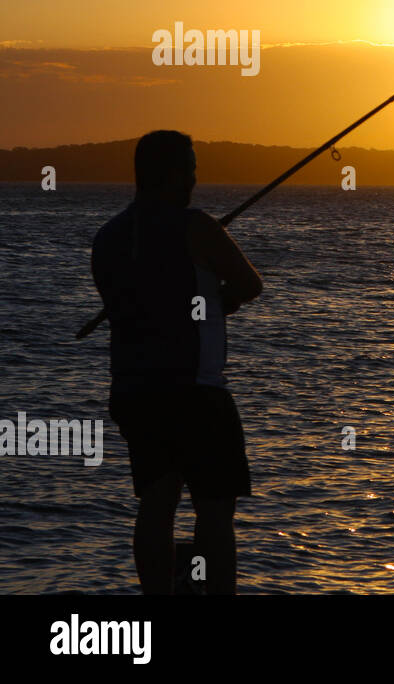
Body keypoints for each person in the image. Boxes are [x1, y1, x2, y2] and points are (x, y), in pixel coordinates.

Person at [92, 130, 262, 594]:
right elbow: (249, 283)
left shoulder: (107, 239)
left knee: (156, 503)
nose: (194, 176)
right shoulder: (198, 227)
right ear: (169, 174)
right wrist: (215, 302)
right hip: (196, 392)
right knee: (214, 510)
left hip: (133, 391)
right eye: (188, 167)